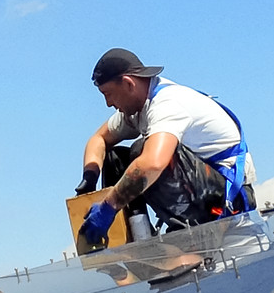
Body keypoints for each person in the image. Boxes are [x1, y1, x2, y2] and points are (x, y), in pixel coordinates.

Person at [76, 48, 255, 248]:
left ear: (128, 83)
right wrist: (90, 178)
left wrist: (108, 207)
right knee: (113, 158)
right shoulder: (137, 109)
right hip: (201, 188)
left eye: (108, 94)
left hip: (226, 197)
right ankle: (138, 239)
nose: (108, 103)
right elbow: (99, 138)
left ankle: (188, 233)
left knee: (142, 152)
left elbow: (153, 163)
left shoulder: (166, 104)